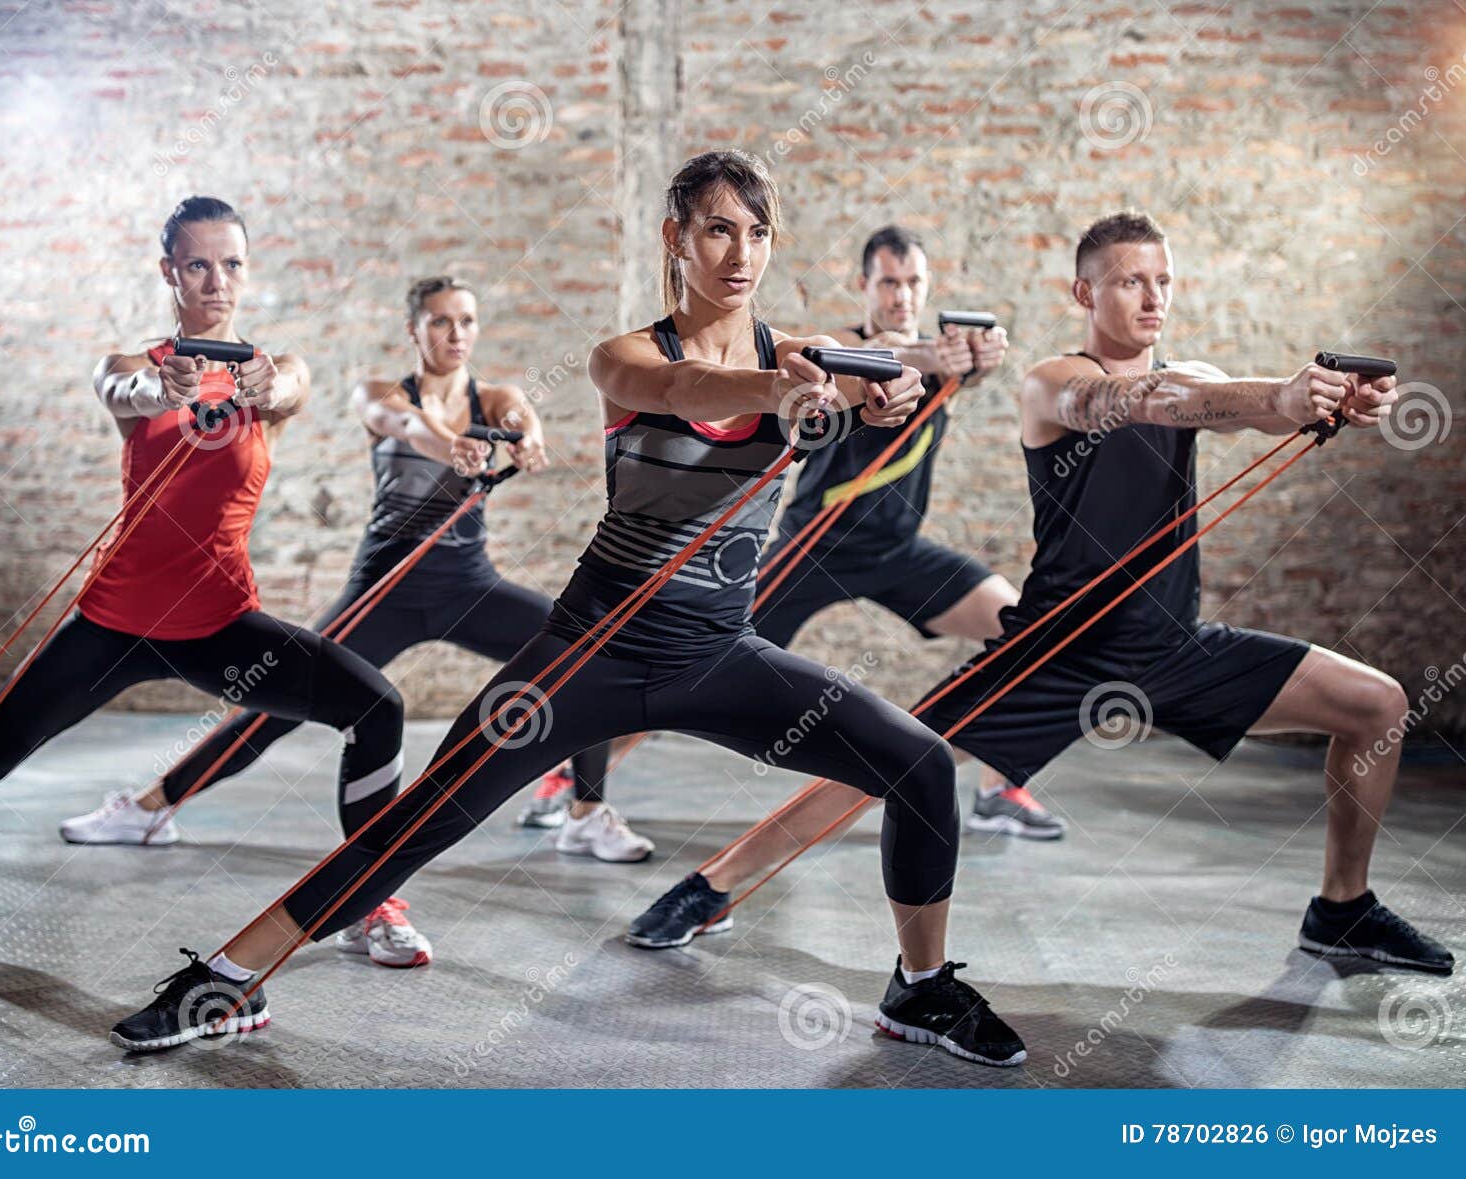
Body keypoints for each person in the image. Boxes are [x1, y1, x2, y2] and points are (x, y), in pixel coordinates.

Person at [110, 150, 1028, 1067]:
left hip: (719, 654)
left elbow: (854, 383)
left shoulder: (803, 357)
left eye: (756, 233)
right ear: (677, 239)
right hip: (587, 654)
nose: (739, 253)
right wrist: (785, 392)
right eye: (717, 229)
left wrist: (891, 389)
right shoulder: (629, 356)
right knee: (419, 819)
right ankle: (224, 983)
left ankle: (919, 989)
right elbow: (684, 392)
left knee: (916, 763)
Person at [629, 210, 1453, 980]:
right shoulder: (1055, 381)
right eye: (1132, 280)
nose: (1153, 297)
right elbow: (1143, 401)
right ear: (1085, 292)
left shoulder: (1194, 378)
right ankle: (714, 884)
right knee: (893, 759)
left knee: (1377, 705)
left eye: (1164, 281)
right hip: (1057, 652)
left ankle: (1341, 910)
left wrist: (1324, 401)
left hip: (1174, 649)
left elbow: (1229, 403)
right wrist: (1275, 395)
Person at [0, 196, 419, 990]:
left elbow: (292, 383)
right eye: (198, 264)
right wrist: (162, 392)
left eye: (231, 264)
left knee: (378, 708)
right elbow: (122, 392)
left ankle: (373, 904)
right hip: (113, 627)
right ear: (170, 272)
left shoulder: (269, 373)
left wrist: (274, 379)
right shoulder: (136, 365)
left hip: (221, 628)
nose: (216, 280)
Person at [60, 277, 649, 965]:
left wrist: (529, 438)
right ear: (414, 331)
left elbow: (521, 415)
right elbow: (408, 426)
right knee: (276, 704)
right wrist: (449, 443)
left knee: (579, 651)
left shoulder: (492, 398)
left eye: (466, 320)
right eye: (439, 322)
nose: (455, 333)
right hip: (387, 587)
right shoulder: (382, 393)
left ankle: (584, 814)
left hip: (467, 585)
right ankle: (151, 805)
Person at [749, 224, 1063, 842]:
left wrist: (984, 355)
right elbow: (873, 357)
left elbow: (947, 360)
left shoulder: (938, 359)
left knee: (1028, 634)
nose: (901, 295)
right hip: (815, 546)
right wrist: (929, 356)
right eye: (888, 282)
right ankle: (577, 789)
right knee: (691, 655)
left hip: (898, 552)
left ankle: (999, 789)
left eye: (913, 282)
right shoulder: (837, 346)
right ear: (863, 285)